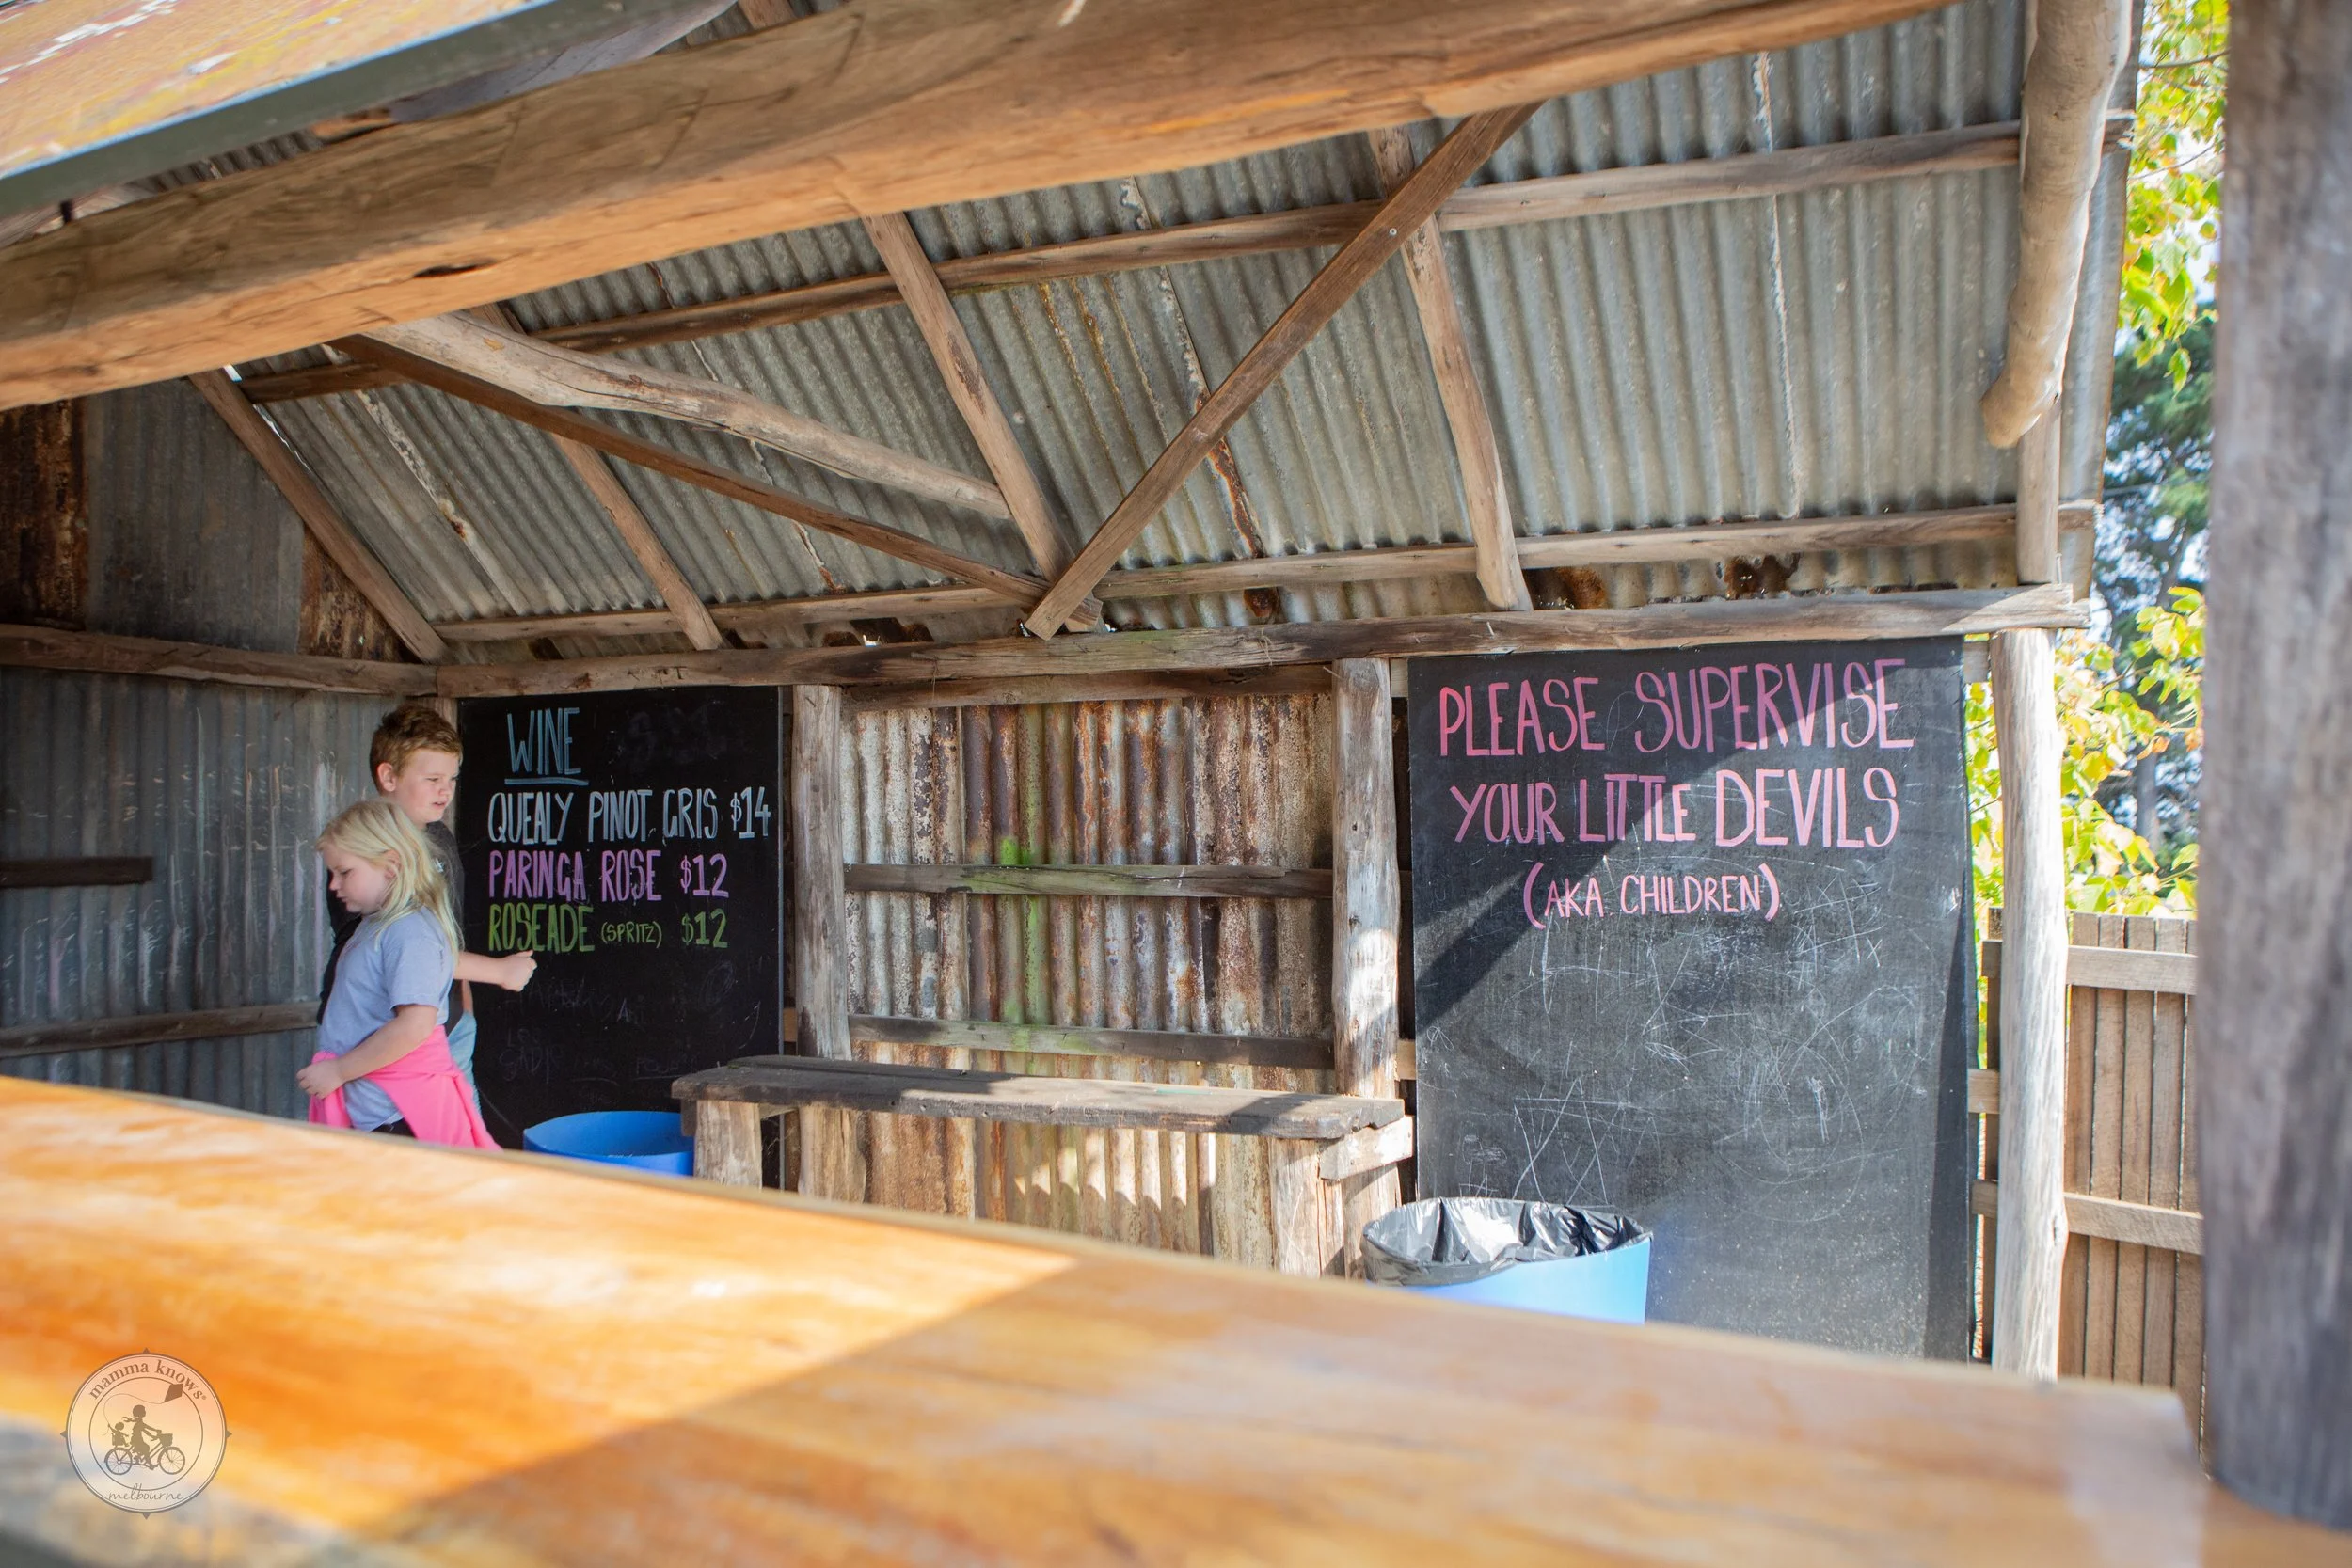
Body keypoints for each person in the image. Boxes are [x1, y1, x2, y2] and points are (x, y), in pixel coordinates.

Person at [320, 705, 533, 1113]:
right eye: (433, 778)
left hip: (445, 1024)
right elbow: (402, 951)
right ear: (388, 776)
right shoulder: (358, 854)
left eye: (451, 778)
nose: (446, 790)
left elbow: (448, 932)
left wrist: (462, 1009)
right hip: (380, 1033)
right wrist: (498, 971)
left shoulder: (439, 837)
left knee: (454, 1147)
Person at [297, 800, 496, 1147]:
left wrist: (338, 1071)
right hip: (381, 1113)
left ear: (390, 866)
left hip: (400, 1120)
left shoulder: (409, 932)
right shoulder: (377, 925)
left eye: (345, 872)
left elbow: (415, 1025)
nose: (333, 885)